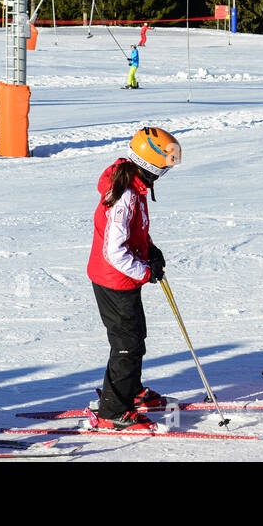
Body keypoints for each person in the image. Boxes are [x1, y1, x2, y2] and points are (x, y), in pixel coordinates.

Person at [85, 127, 180, 430]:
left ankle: (131, 390)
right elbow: (114, 251)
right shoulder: (125, 194)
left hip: (121, 278)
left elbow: (133, 233)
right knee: (127, 345)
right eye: (165, 163)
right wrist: (145, 271)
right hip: (115, 278)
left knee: (135, 337)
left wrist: (150, 250)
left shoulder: (132, 183)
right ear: (152, 163)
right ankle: (113, 411)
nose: (167, 169)